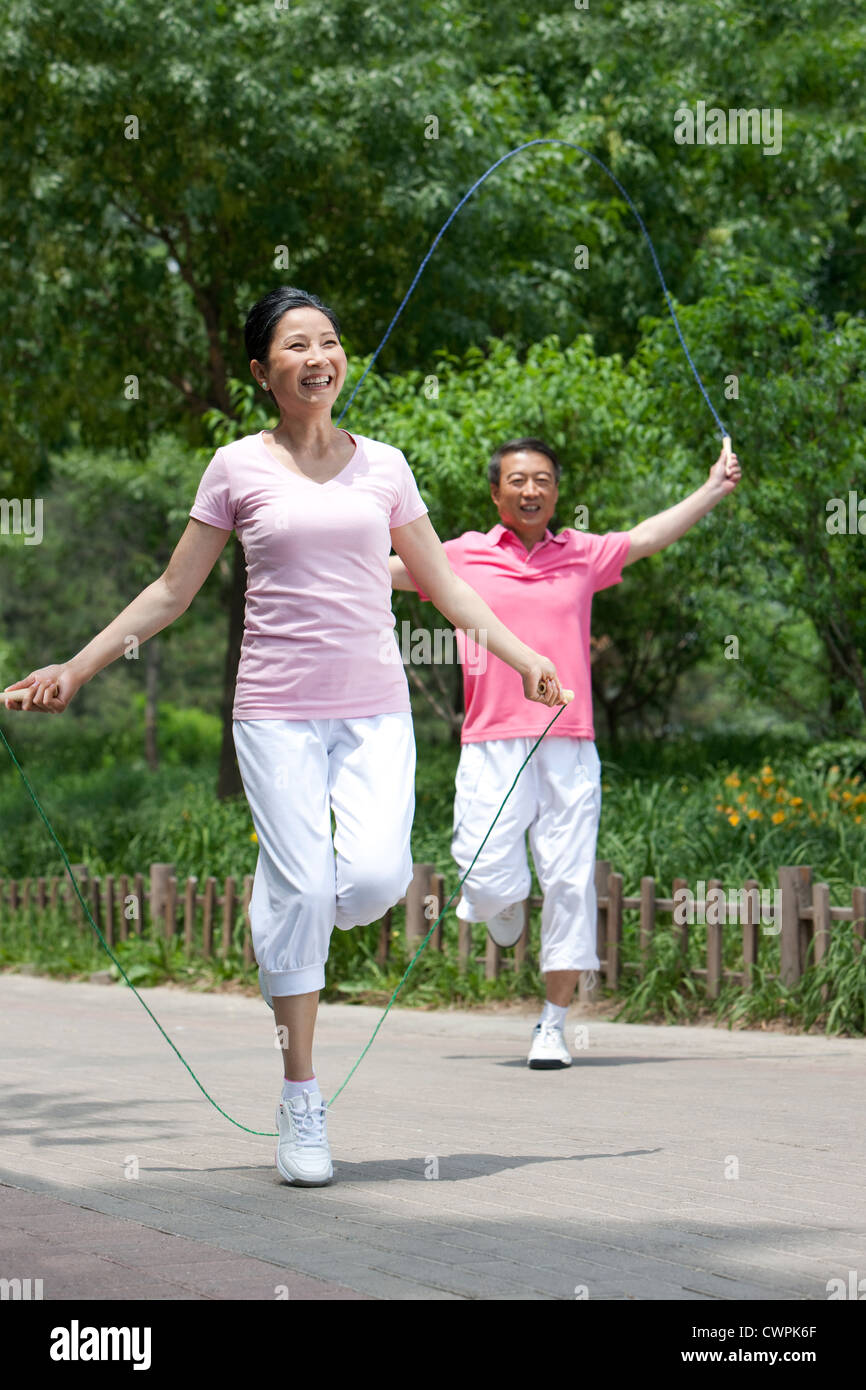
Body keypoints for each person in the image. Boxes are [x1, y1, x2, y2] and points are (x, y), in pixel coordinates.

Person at [2, 287, 573, 1189]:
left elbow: (448, 587)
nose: (319, 357)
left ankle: (285, 921)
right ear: (264, 372)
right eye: (296, 345)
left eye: (331, 342)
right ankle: (302, 1098)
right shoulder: (235, 467)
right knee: (306, 885)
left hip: (376, 710)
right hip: (273, 714)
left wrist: (521, 653)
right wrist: (76, 668)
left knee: (378, 879)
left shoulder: (384, 465)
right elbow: (170, 592)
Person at [389, 434, 741, 1068]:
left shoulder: (580, 553)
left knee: (570, 881)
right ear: (496, 491)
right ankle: (497, 899)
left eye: (544, 480)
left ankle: (552, 1023)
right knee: (485, 868)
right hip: (491, 739)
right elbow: (377, 569)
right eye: (518, 480)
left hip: (569, 742)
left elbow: (647, 537)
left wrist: (713, 487)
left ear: (556, 492)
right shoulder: (460, 555)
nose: (532, 490)